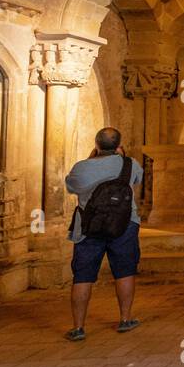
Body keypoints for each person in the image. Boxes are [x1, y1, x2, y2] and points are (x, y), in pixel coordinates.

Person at [64, 127, 143, 340]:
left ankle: (78, 327)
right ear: (119, 145)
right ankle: (125, 319)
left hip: (89, 227)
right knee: (125, 271)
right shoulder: (130, 164)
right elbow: (137, 181)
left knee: (83, 276)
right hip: (124, 225)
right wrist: (122, 158)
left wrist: (91, 160)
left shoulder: (81, 167)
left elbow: (70, 187)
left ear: (96, 145)